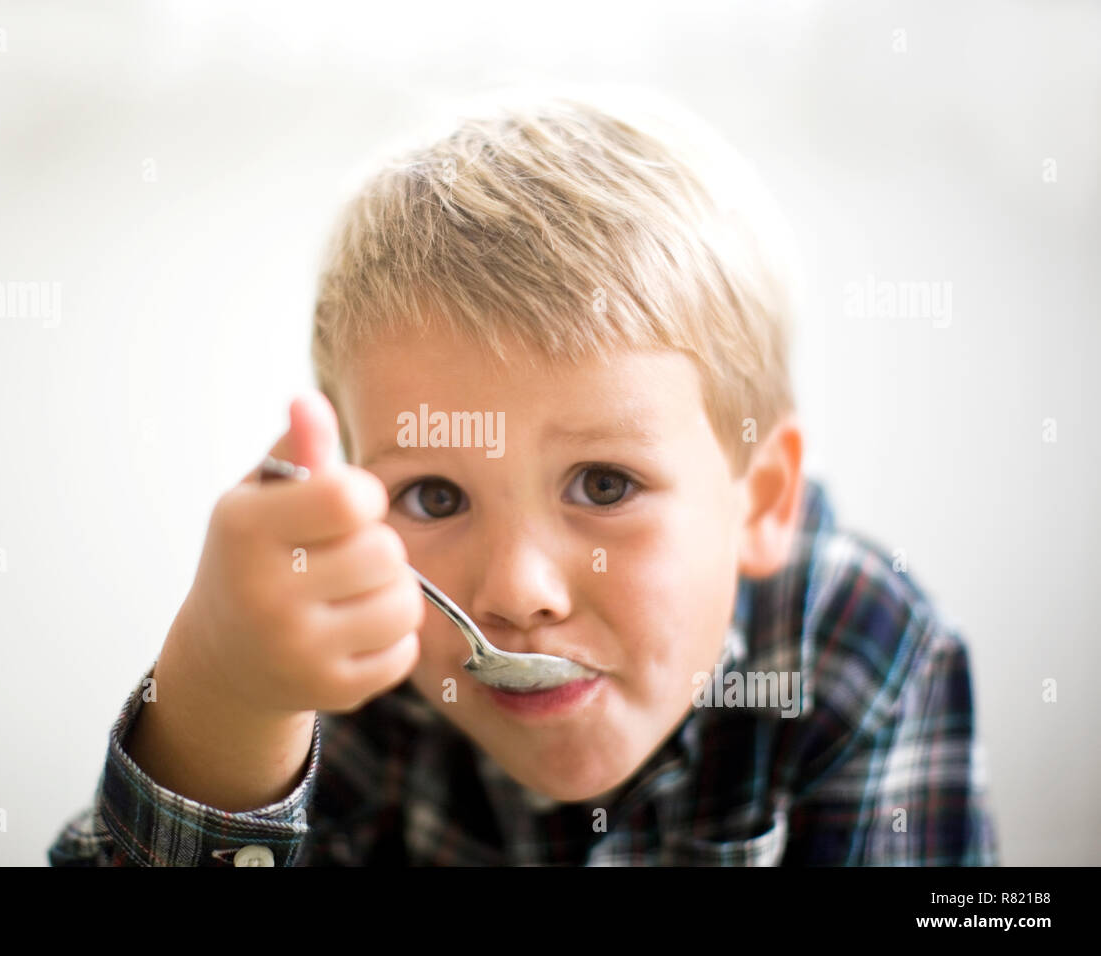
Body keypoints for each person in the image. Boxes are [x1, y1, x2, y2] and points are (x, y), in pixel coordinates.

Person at [48, 87, 997, 866]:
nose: (516, 593)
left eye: (604, 485)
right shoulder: (359, 666)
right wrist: (229, 699)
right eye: (435, 497)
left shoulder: (861, 650)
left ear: (763, 499)